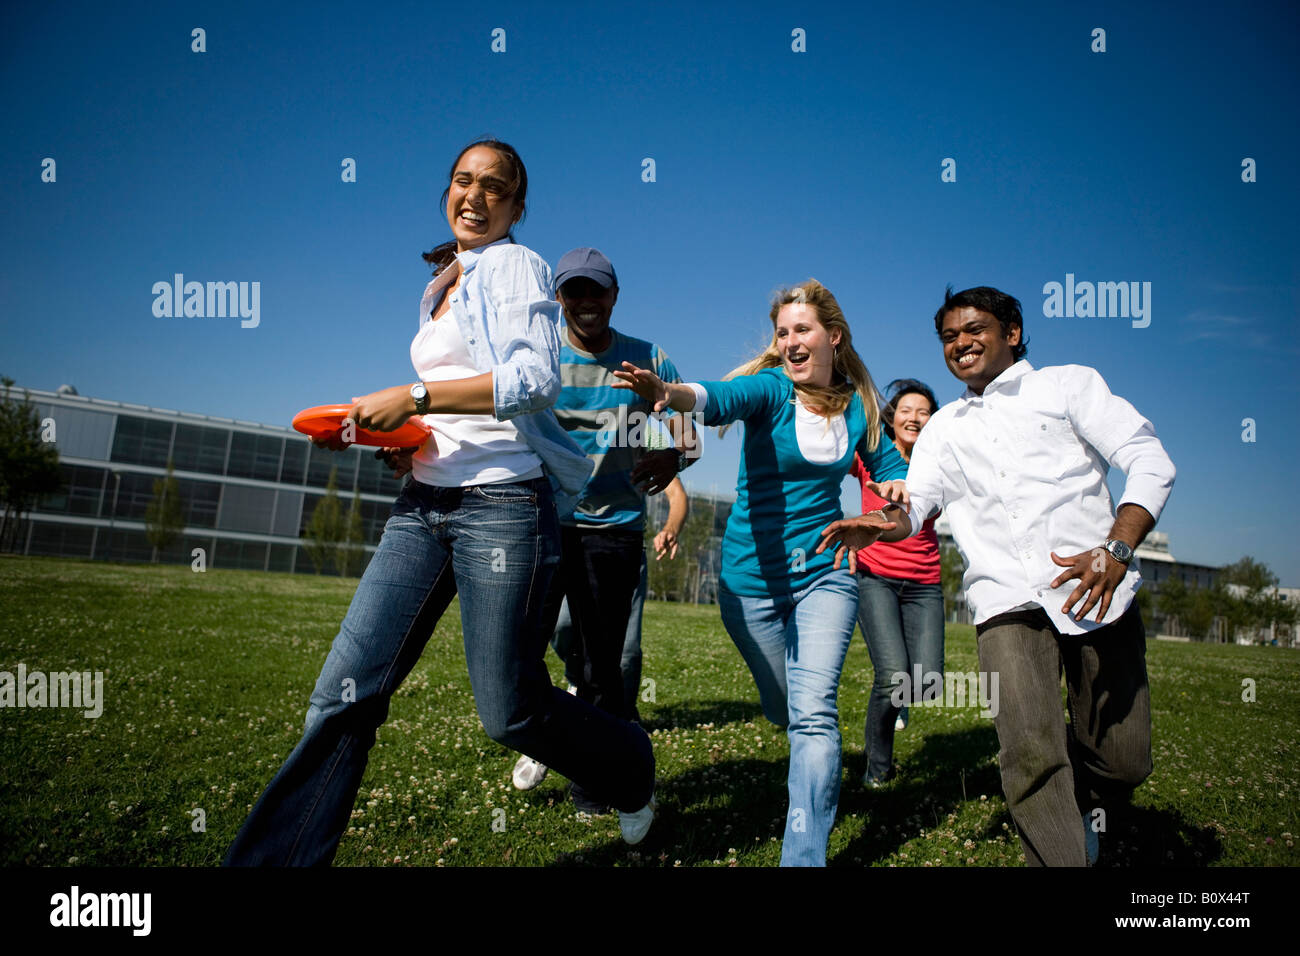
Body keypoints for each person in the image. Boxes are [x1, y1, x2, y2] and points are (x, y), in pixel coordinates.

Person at [224, 141, 655, 865]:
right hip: (423, 500)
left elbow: (533, 378)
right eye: (463, 181)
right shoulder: (443, 282)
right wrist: (393, 433)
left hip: (503, 506)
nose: (475, 196)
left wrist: (415, 395)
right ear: (446, 191)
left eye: (495, 188)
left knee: (511, 712)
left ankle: (629, 766)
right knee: (343, 694)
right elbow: (461, 408)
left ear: (517, 207)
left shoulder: (517, 264)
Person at [818, 286, 1175, 867]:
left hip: (1095, 588)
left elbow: (1149, 457)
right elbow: (919, 504)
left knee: (1124, 758)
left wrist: (1118, 547)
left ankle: (1091, 801)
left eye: (974, 329)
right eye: (949, 336)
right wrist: (881, 524)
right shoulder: (944, 427)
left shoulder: (1068, 385)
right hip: (1004, 603)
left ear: (1011, 332)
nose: (960, 343)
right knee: (1031, 752)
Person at [614, 279, 908, 866]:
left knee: (815, 711)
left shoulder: (861, 407)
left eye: (803, 330)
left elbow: (899, 503)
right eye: (783, 332)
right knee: (784, 707)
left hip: (826, 574)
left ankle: (803, 856)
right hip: (750, 585)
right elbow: (719, 397)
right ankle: (795, 733)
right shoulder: (771, 390)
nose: (791, 342)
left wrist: (882, 517)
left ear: (834, 337)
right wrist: (667, 393)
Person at [509, 248, 697, 810]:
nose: (585, 302)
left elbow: (687, 425)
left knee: (602, 663)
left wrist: (673, 459)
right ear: (559, 298)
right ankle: (551, 736)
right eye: (574, 292)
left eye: (596, 291)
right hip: (538, 522)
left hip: (611, 530)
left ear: (614, 296)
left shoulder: (648, 357)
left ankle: (594, 785)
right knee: (516, 655)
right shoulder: (540, 355)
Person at [849, 378, 944, 786]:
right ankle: (878, 770)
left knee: (925, 681)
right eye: (906, 410)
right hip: (875, 578)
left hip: (925, 582)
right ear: (892, 418)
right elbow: (831, 456)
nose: (915, 418)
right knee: (892, 677)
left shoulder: (937, 465)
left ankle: (902, 701)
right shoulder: (870, 455)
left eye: (924, 412)